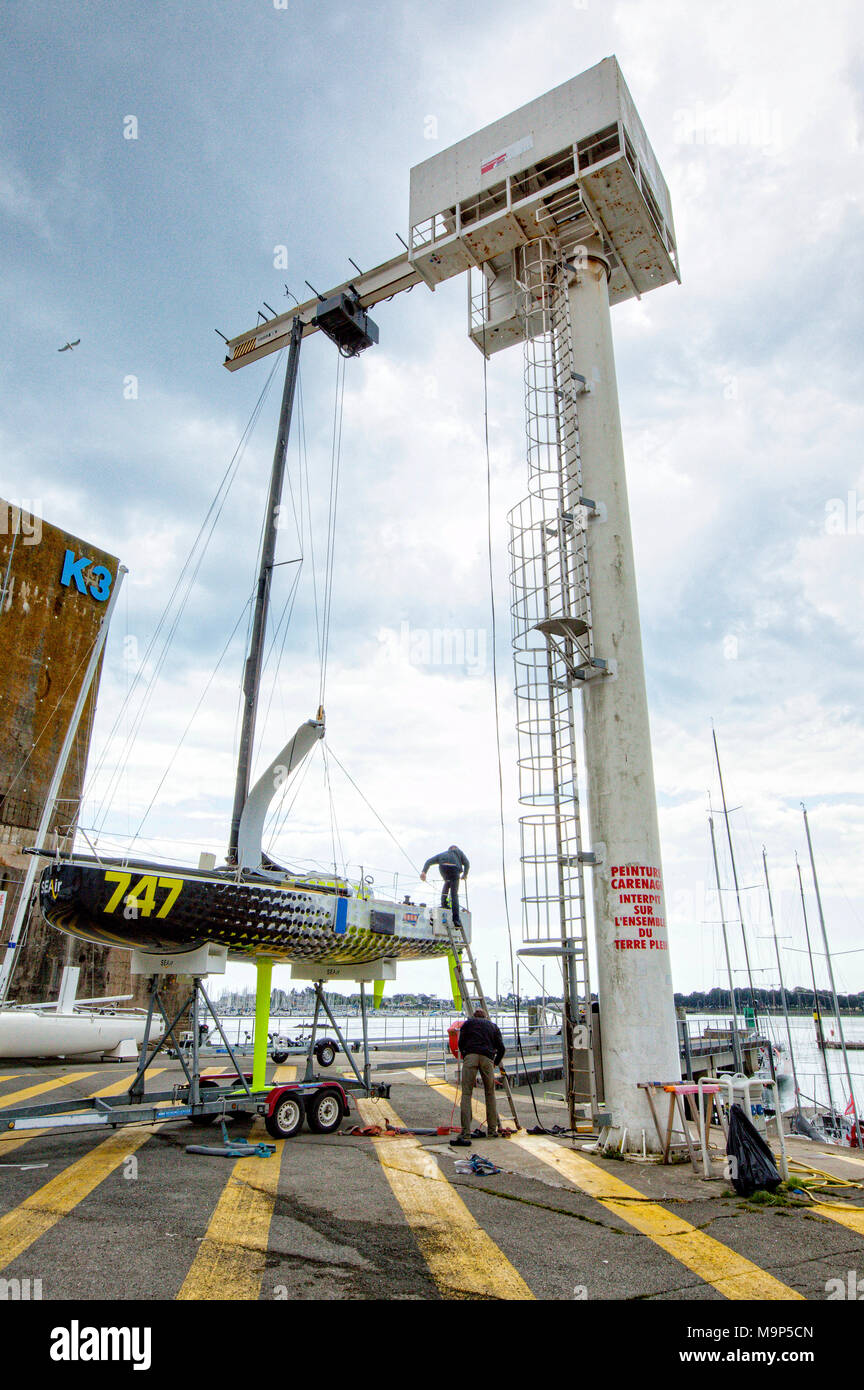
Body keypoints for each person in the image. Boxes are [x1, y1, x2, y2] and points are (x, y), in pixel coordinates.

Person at [450, 1008, 506, 1146]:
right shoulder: (493, 1026)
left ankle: (466, 1132)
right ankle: (492, 1130)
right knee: (490, 1094)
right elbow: (502, 1048)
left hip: (470, 1056)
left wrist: (465, 1056)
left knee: (466, 1094)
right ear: (485, 1016)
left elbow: (460, 1043)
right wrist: (495, 1062)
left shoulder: (467, 1024)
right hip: (487, 1059)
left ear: (474, 1016)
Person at [420, 844, 469, 928]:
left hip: (443, 867)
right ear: (455, 848)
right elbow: (467, 863)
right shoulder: (458, 851)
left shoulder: (443, 854)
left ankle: (444, 903)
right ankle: (456, 920)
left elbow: (428, 861)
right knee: (454, 895)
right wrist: (465, 874)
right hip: (454, 869)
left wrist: (424, 872)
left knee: (447, 882)